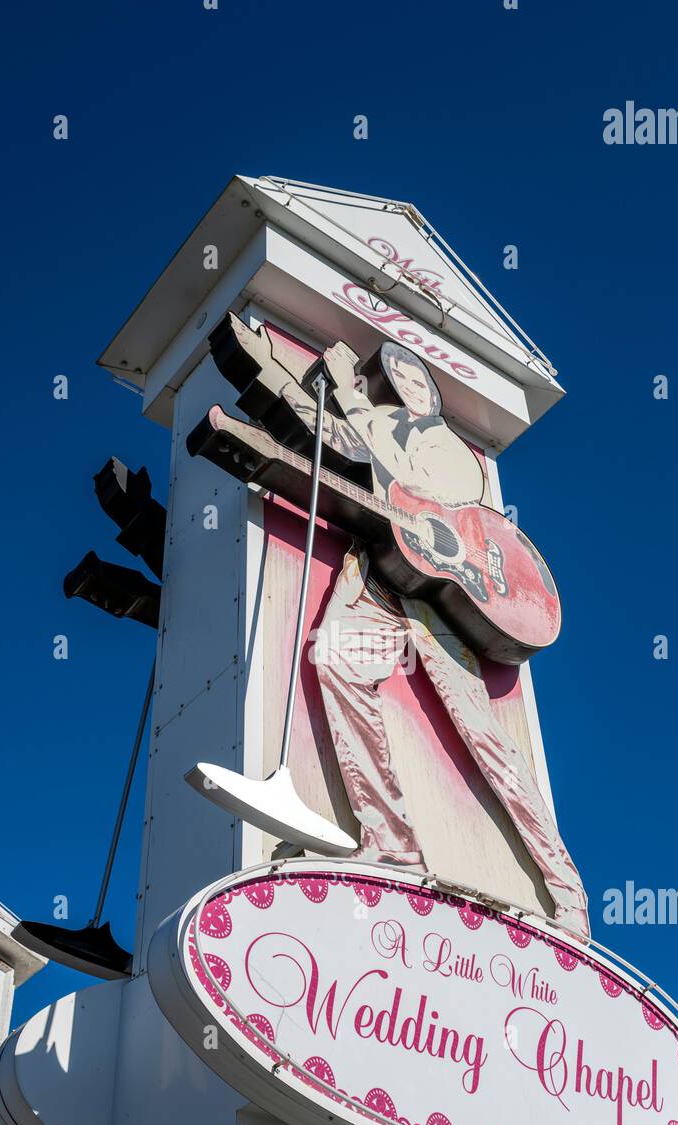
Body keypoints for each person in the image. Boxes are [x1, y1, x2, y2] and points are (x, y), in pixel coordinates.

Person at [216, 318, 589, 938]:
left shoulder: (444, 443)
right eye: (402, 374)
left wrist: (353, 395)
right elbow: (331, 442)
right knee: (333, 658)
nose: (413, 384)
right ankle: (390, 841)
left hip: (445, 601)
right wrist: (273, 378)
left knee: (487, 741)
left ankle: (566, 891)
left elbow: (439, 491)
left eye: (419, 376)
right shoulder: (377, 423)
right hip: (383, 576)